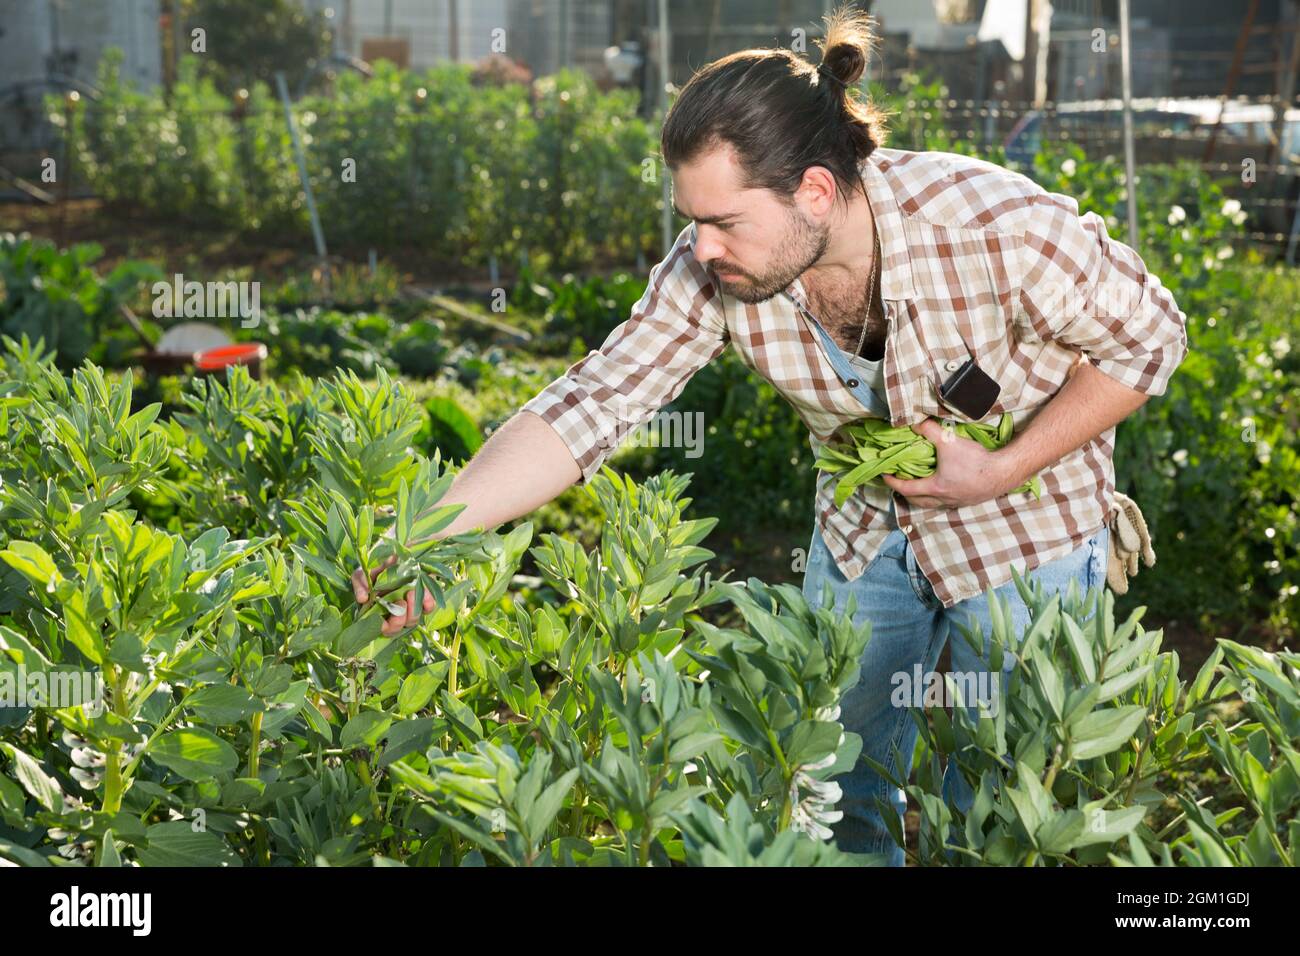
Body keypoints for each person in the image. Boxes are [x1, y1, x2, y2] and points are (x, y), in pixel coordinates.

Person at [352, 5, 1188, 865]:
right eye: (693, 218)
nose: (701, 247)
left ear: (815, 190)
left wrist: (1000, 466)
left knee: (1002, 804)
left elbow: (1152, 337)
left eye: (725, 221)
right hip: (869, 531)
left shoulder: (994, 225)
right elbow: (593, 404)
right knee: (831, 788)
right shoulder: (715, 268)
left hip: (1029, 530)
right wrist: (426, 537)